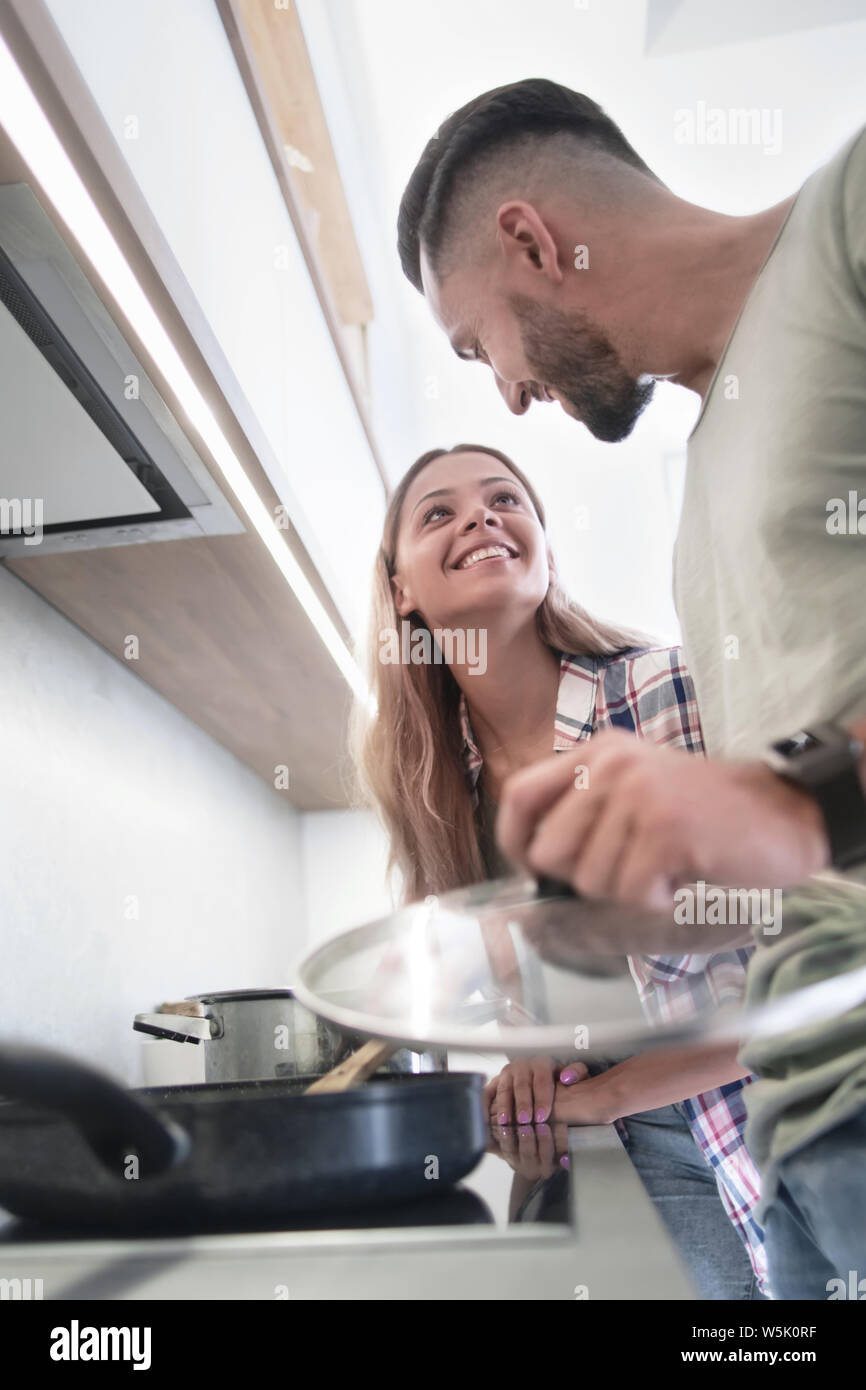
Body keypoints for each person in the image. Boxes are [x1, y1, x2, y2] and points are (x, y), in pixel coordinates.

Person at [397, 79, 866, 1298]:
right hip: (810, 1127)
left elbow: (787, 820)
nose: (500, 392)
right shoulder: (703, 482)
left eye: (474, 342)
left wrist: (790, 805)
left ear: (530, 241)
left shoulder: (850, 222)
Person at [353, 440, 768, 1299]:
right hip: (610, 1152)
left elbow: (809, 967)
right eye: (439, 513)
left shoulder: (667, 693)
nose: (479, 516)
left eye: (505, 499)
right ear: (401, 590)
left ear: (543, 546)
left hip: (756, 1119)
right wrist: (529, 1083)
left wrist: (612, 1093)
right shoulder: (438, 805)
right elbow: (532, 1015)